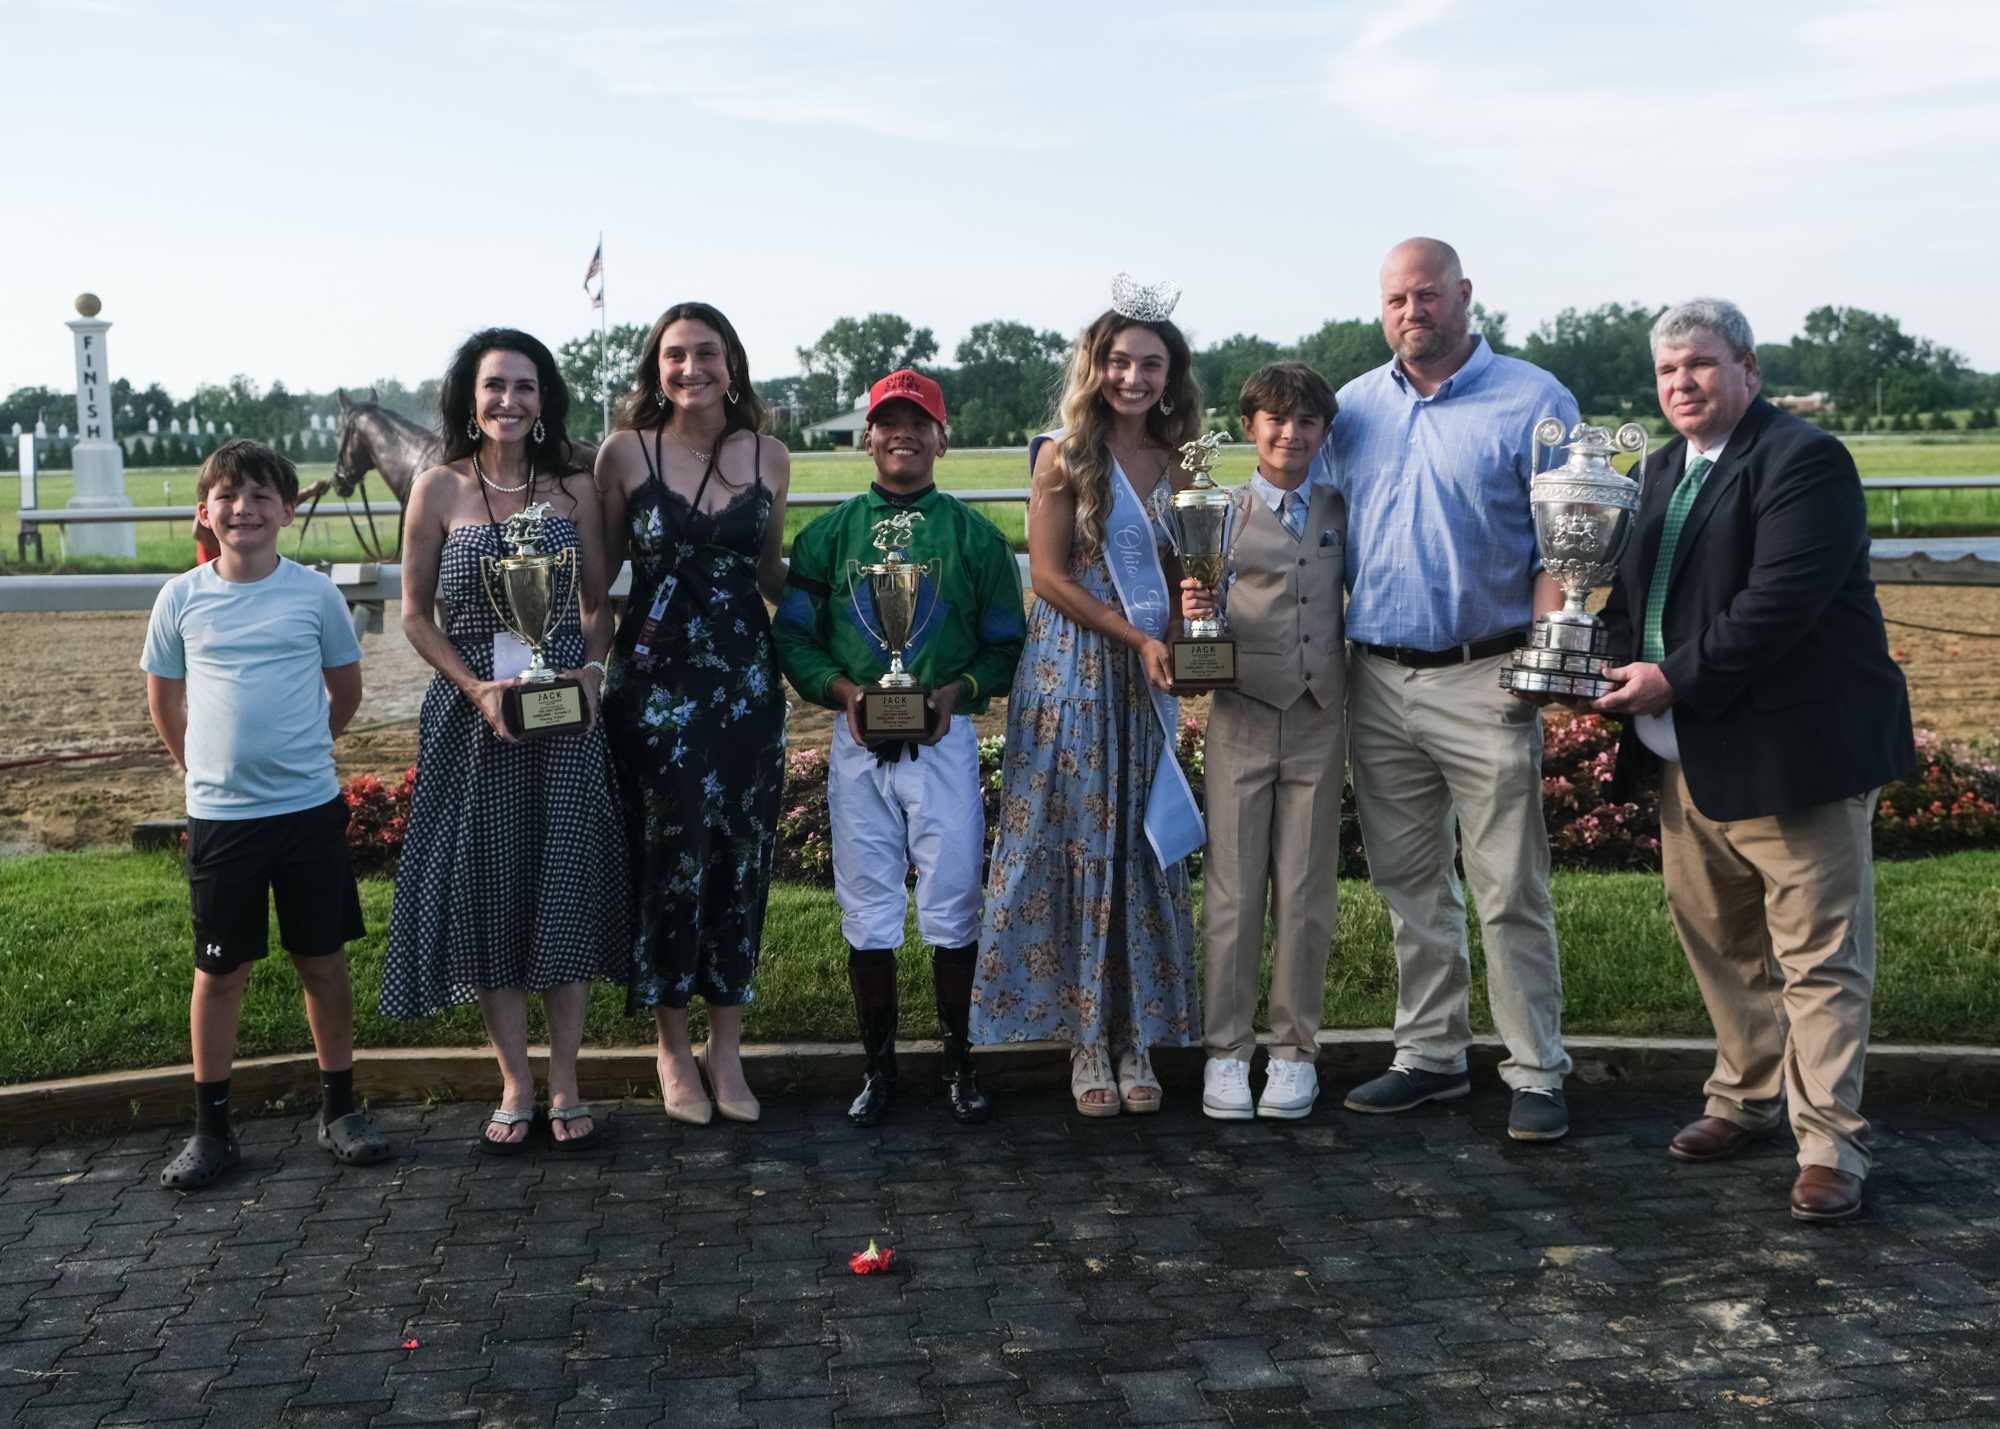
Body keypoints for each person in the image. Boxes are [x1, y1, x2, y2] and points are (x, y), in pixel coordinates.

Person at [1594, 298, 1915, 1222]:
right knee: (1724, 946)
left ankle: (1832, 1144)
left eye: (1700, 363)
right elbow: (1622, 595)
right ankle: (1743, 1095)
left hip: (1792, 759)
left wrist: (1672, 679)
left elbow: (1778, 603)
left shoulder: (1804, 461)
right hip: (1683, 760)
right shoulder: (1655, 471)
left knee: (1819, 960)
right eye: (1666, 371)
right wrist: (1600, 663)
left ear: (1749, 369)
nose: (1682, 383)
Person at [1326, 238, 1580, 1142]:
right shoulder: (1352, 408)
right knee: (1410, 884)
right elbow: (1312, 542)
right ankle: (1431, 1055)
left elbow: (1567, 551)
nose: (1411, 312)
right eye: (1395, 299)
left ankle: (1536, 1067)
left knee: (1509, 883)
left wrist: (1542, 665)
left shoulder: (1535, 399)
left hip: (1488, 674)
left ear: (1465, 295)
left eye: (1427, 295)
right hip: (1378, 678)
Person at [379, 329, 631, 1154]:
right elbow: (416, 614)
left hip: (565, 719)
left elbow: (599, 602)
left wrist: (592, 673)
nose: (509, 402)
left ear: (544, 398)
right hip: (474, 721)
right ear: (469, 396)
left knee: (561, 883)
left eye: (525, 387)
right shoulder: (437, 489)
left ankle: (565, 1077)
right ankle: (514, 1080)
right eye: (494, 386)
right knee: (488, 893)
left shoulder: (573, 489)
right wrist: (477, 686)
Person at [970, 277, 1206, 1117]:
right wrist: (1137, 635)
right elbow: (1050, 577)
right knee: (1076, 840)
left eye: (1151, 363)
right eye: (1118, 361)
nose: (1133, 378)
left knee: (1142, 843)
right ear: (1094, 366)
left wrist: (1185, 625)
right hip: (1075, 670)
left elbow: (1185, 572)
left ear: (1172, 376)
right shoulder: (1063, 453)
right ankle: (1081, 1039)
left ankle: (1136, 1027)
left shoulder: (1182, 463)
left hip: (1147, 673)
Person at [773, 370, 1025, 1127]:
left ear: (942, 436)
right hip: (857, 747)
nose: (902, 434)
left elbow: (1008, 643)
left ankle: (958, 1064)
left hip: (943, 745)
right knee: (869, 909)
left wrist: (957, 693)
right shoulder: (827, 535)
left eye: (918, 422)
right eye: (888, 422)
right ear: (867, 437)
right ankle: (877, 1071)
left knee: (953, 907)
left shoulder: (977, 535)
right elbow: (792, 632)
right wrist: (844, 691)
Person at [142, 439, 389, 1188]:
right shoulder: (180, 598)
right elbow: (165, 703)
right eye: (227, 495)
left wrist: (301, 750)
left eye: (259, 496)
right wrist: (205, 770)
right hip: (223, 820)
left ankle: (339, 1107)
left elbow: (342, 693)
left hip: (307, 810)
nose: (242, 508)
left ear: (287, 509)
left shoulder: (313, 594)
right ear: (204, 512)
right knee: (220, 972)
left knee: (322, 958)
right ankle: (212, 1128)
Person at [598, 302, 791, 1126]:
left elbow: (774, 575)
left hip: (747, 689)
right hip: (654, 690)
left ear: (732, 363)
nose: (690, 369)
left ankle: (727, 1046)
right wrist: (562, 670)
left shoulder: (771, 456)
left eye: (705, 353)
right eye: (674, 356)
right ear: (656, 369)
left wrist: (865, 635)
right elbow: (594, 585)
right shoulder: (623, 453)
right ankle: (671, 1044)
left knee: (741, 859)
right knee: (672, 855)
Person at [1177, 364, 1347, 1121]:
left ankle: (1292, 1051)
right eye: (1275, 420)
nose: (1290, 433)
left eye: (1306, 421)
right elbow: (1192, 622)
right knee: (1234, 892)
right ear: (1249, 427)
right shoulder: (1219, 510)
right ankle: (1225, 1050)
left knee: (1307, 893)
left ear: (1324, 432)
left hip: (1320, 716)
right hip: (1242, 714)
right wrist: (1194, 609)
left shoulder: (1343, 506)